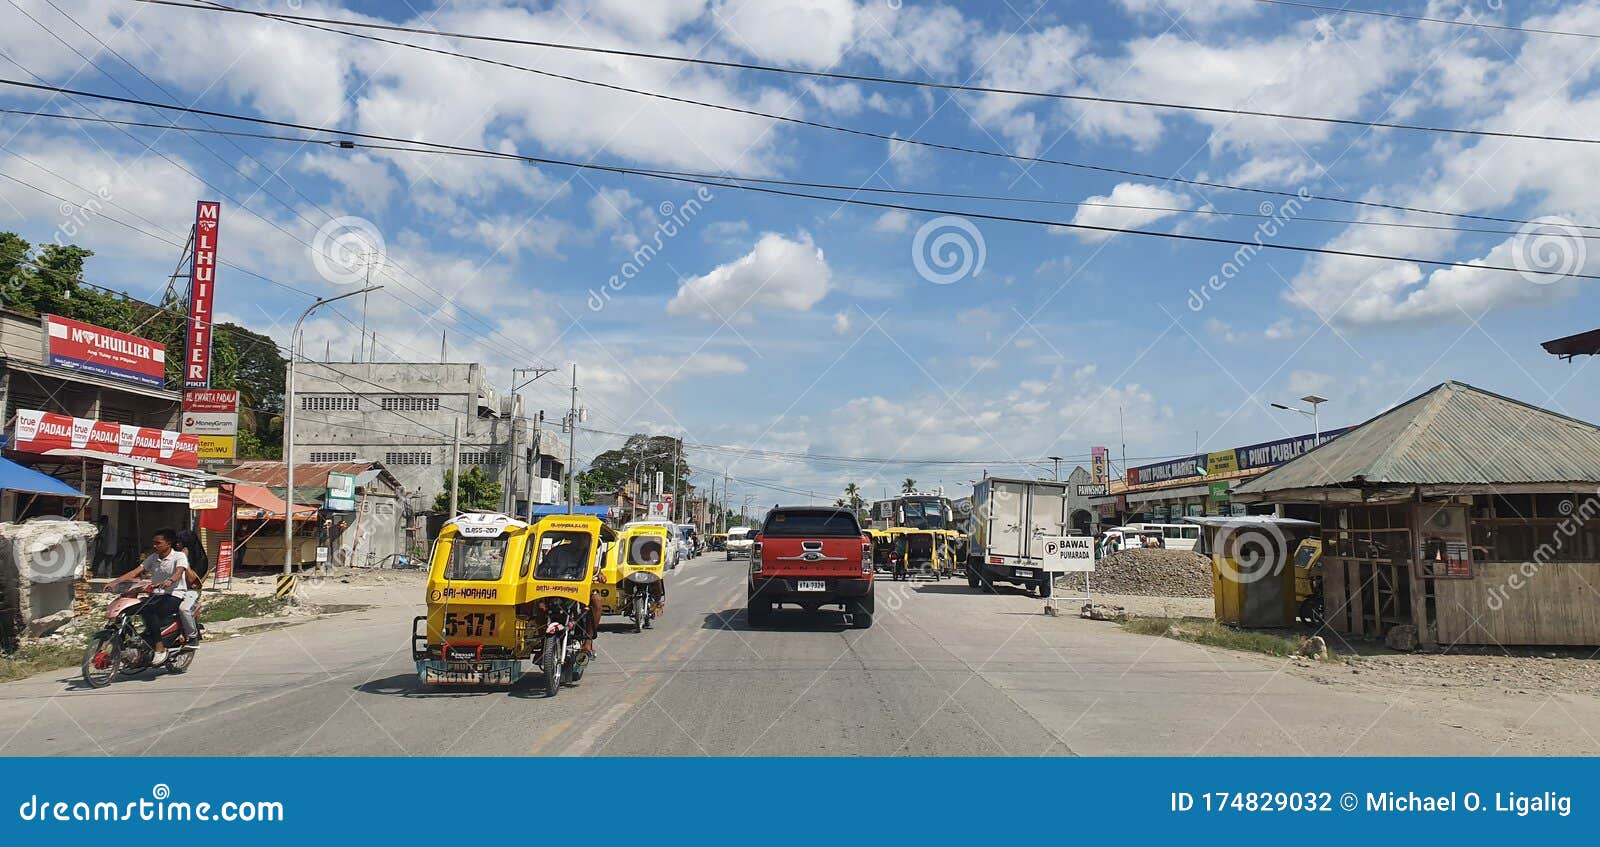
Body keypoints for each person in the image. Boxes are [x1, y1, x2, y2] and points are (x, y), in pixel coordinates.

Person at [116, 528, 189, 665]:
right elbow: (135, 572)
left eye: (158, 543)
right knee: (127, 609)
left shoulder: (179, 556)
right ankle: (131, 644)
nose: (154, 546)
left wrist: (170, 581)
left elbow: (179, 573)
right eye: (153, 543)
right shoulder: (153, 558)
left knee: (150, 611)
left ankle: (159, 648)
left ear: (168, 543)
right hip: (156, 595)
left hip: (174, 595)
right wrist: (115, 582)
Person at [173, 529, 209, 651]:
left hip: (191, 591)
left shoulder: (201, 560)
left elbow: (192, 582)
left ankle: (193, 638)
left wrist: (185, 561)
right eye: (177, 542)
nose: (178, 545)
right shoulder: (175, 555)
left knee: (183, 609)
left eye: (181, 542)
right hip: (174, 588)